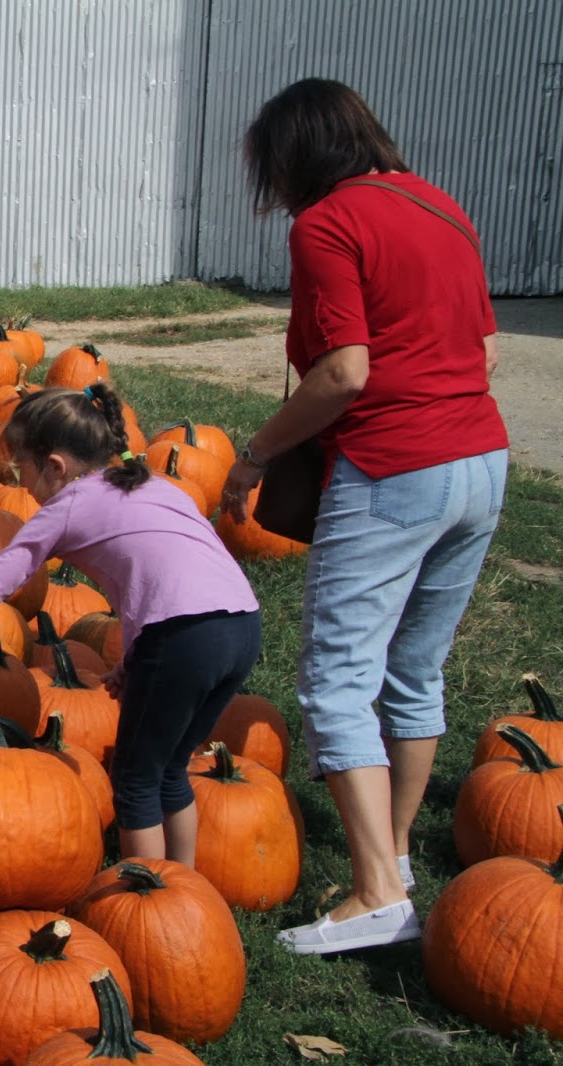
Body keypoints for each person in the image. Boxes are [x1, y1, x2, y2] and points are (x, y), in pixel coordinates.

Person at [225, 78, 507, 955]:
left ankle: (378, 893)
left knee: (337, 677)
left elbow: (345, 371)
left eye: (273, 169)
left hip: (395, 464)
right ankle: (395, 857)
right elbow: (486, 350)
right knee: (414, 670)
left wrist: (256, 453)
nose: (275, 191)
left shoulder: (328, 223)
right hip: (481, 460)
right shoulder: (441, 205)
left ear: (297, 156)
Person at [0, 383, 261, 865]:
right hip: (241, 625)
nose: (21, 483)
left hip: (182, 638)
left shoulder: (63, 509)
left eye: (20, 469)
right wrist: (135, 659)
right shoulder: (152, 485)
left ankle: (154, 890)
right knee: (170, 768)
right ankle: (186, 886)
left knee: (135, 781)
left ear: (55, 466)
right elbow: (163, 579)